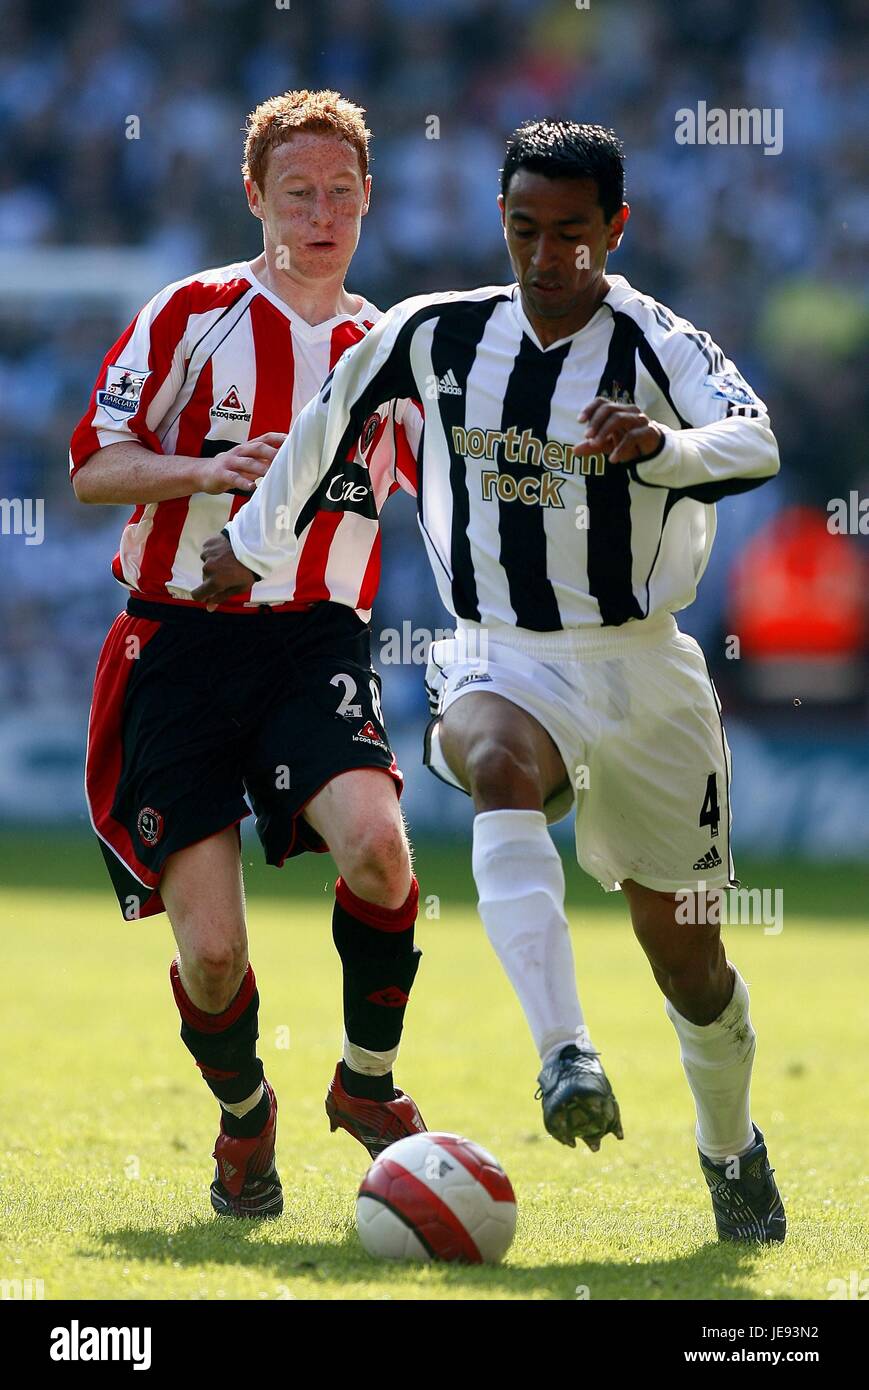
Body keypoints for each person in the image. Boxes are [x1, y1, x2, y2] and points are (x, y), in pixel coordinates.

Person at [196, 120, 785, 1242]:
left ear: (615, 229)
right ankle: (563, 1053)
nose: (546, 256)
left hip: (641, 671)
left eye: (572, 234)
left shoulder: (655, 341)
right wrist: (258, 540)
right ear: (500, 224)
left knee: (691, 966)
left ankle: (729, 1149)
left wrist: (663, 448)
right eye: (524, 230)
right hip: (497, 649)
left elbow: (753, 441)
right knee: (496, 758)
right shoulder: (435, 334)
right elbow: (330, 421)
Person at [69, 89, 426, 1221]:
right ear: (254, 200)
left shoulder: (392, 351)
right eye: (294, 194)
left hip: (311, 638)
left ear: (368, 194)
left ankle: (365, 1082)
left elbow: (454, 501)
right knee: (213, 957)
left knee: (375, 846)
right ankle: (246, 1120)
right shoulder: (191, 316)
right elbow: (91, 467)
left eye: (338, 192)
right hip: (177, 642)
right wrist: (210, 473)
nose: (319, 214)